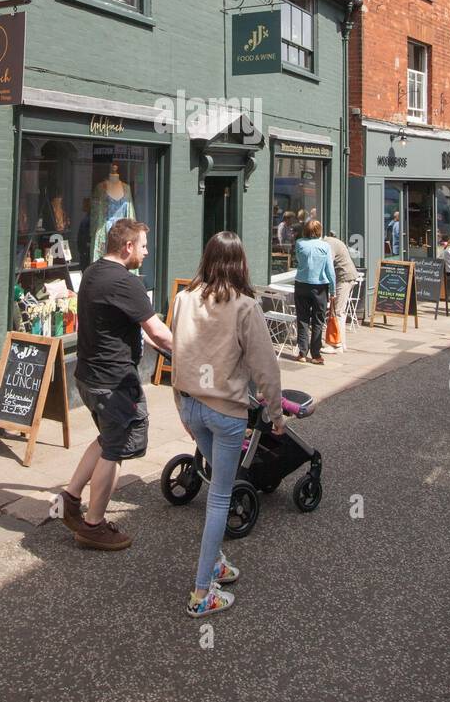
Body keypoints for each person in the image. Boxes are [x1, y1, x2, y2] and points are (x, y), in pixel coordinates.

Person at [172, 232, 285, 617]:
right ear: (240, 263)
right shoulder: (245, 306)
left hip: (191, 406)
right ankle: (202, 592)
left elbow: (176, 354)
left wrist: (180, 406)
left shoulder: (183, 299)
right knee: (220, 498)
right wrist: (276, 415)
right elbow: (265, 366)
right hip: (226, 413)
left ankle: (216, 561)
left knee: (218, 491)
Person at [61, 219, 173, 550]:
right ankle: (93, 526)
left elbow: (114, 322)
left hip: (88, 377)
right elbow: (158, 332)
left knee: (106, 437)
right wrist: (195, 355)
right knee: (117, 446)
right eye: (142, 246)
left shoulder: (94, 271)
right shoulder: (126, 283)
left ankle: (70, 499)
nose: (147, 252)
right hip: (113, 382)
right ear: (127, 247)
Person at [293, 219, 336, 364]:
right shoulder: (325, 246)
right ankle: (316, 355)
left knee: (303, 319)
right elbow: (330, 270)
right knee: (318, 321)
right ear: (319, 231)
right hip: (319, 287)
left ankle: (302, 353)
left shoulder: (299, 243)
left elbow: (298, 260)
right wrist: (333, 290)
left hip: (301, 284)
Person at [324, 231, 359, 348]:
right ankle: (340, 343)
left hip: (344, 278)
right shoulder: (333, 241)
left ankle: (336, 345)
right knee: (338, 311)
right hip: (346, 276)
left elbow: (328, 263)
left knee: (338, 312)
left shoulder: (328, 244)